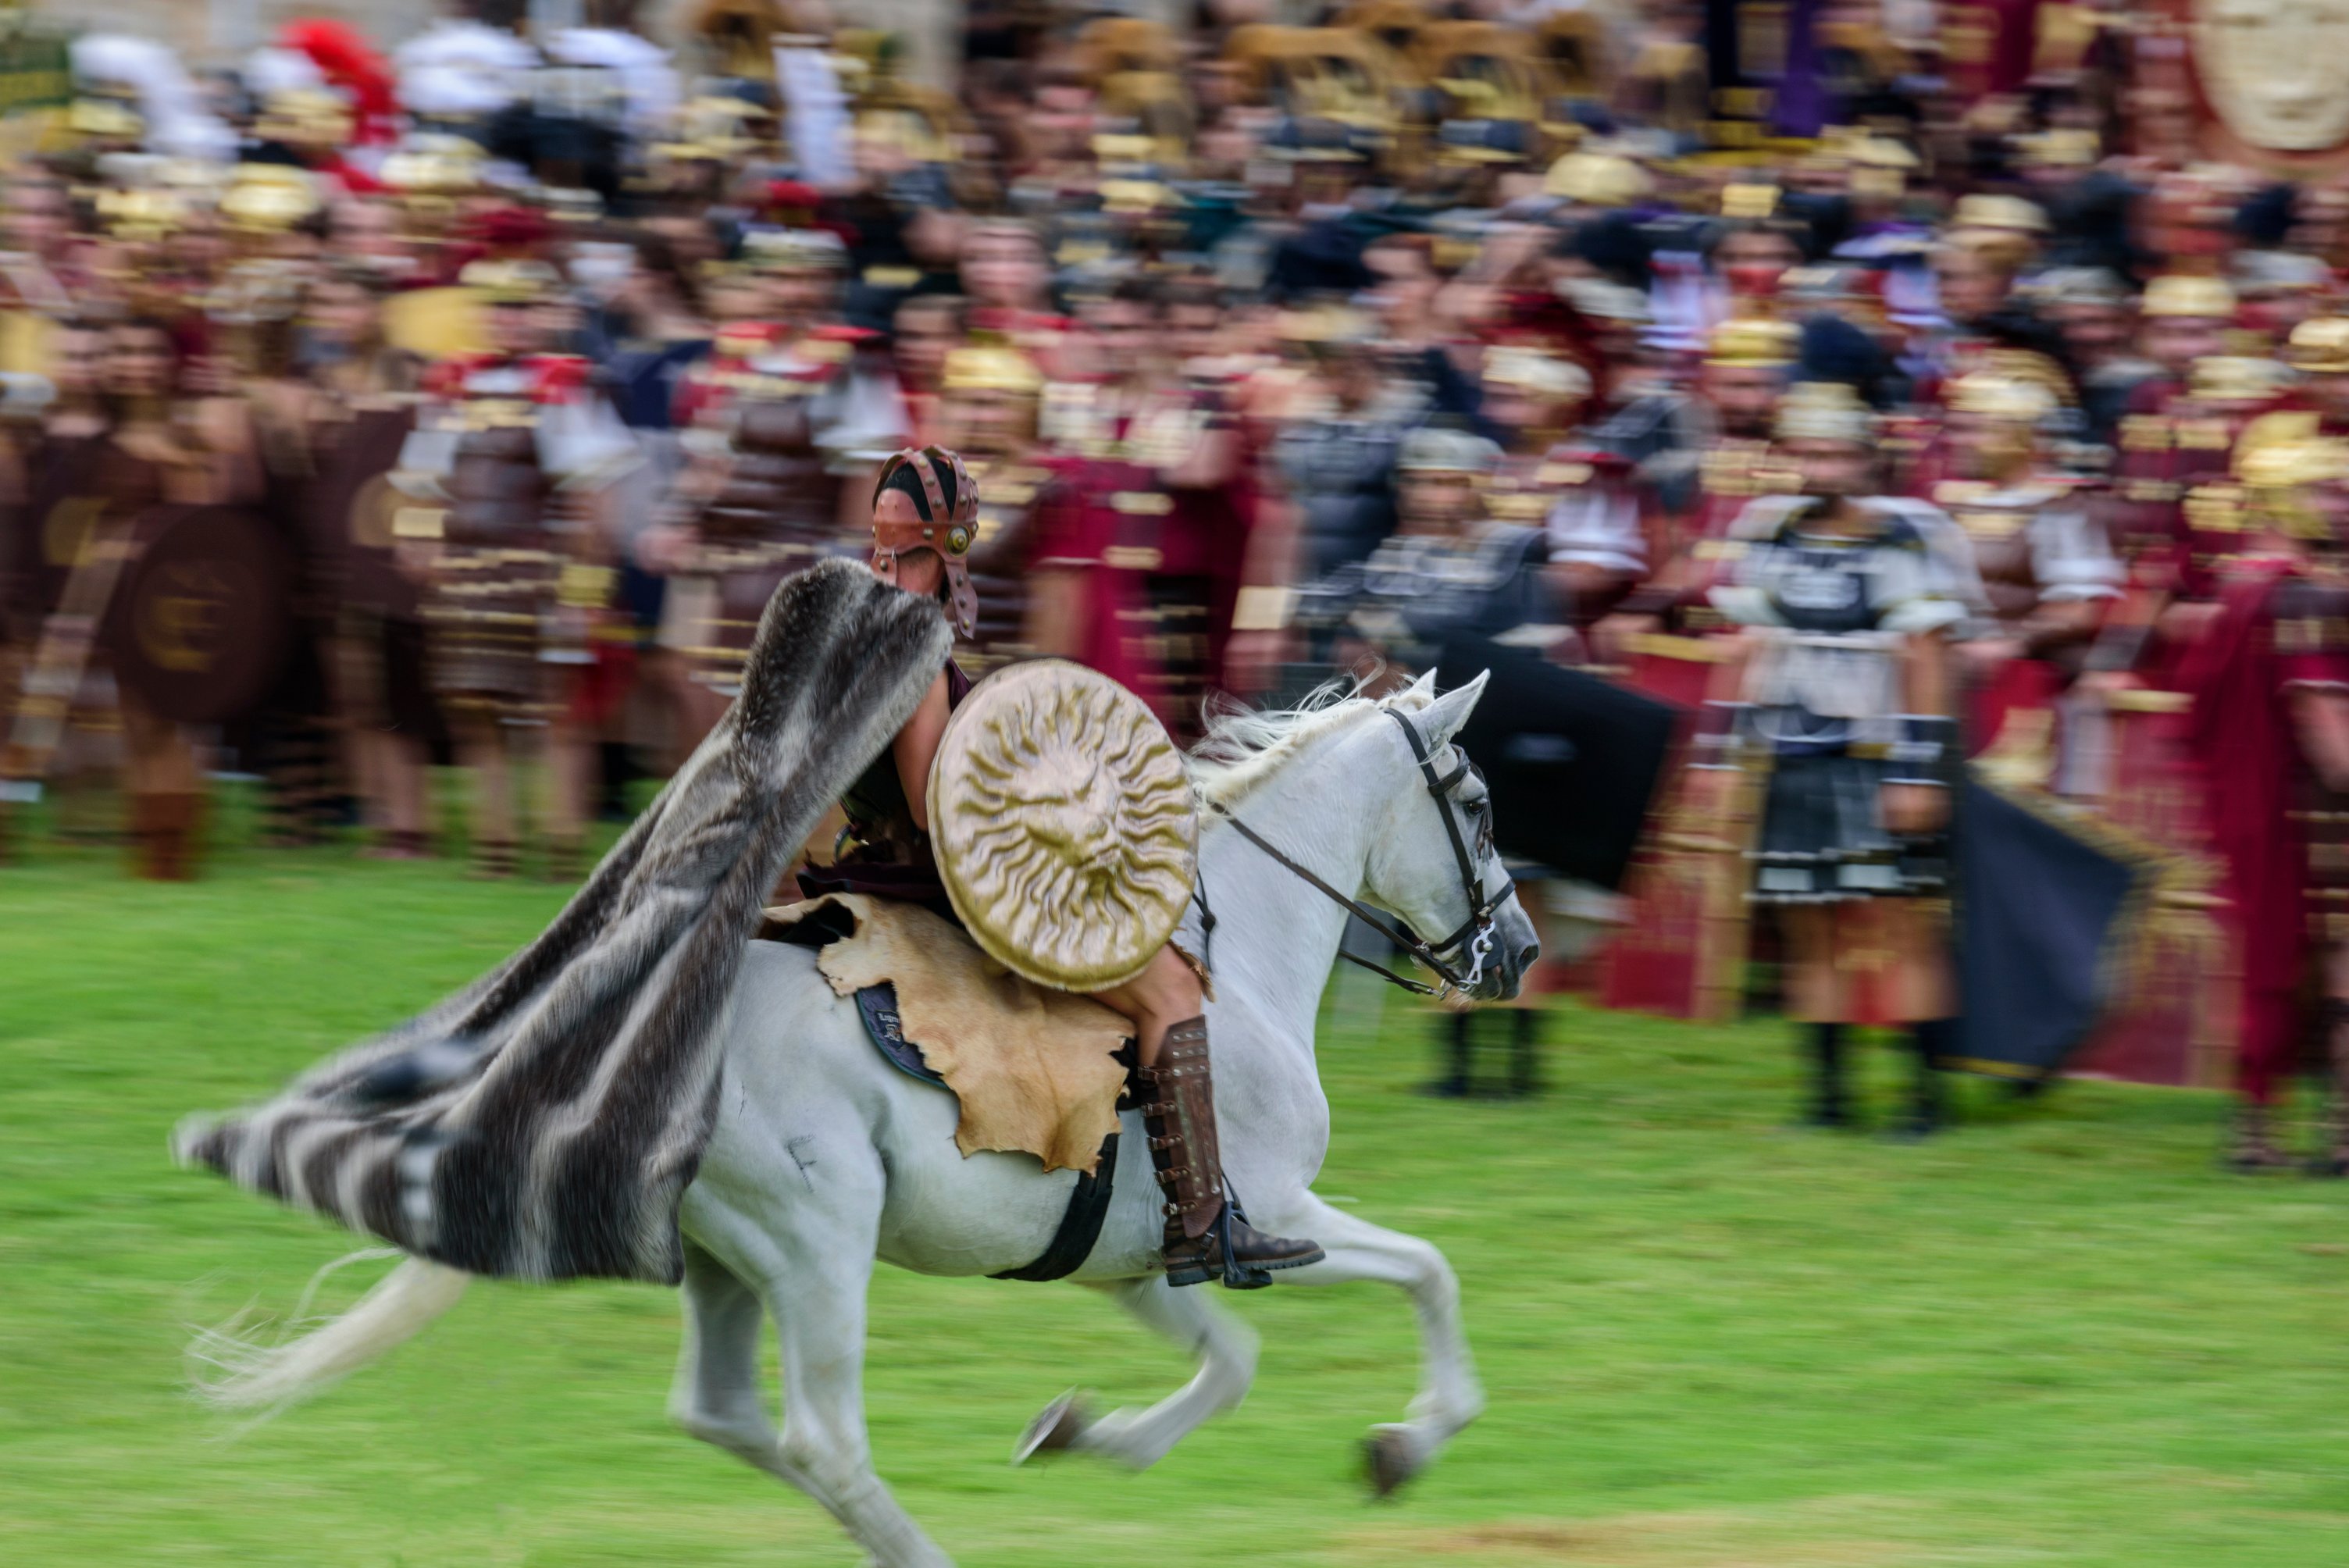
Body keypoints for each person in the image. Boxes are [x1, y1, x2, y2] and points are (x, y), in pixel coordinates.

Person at [807, 444, 1322, 1289]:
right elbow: (938, 806)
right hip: (950, 882)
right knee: (1170, 986)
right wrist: (1050, 815)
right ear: (954, 541)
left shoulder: (859, 621)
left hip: (878, 859)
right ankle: (1202, 1225)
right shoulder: (912, 640)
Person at [1697, 382, 1967, 1136]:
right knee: (1807, 922)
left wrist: (1917, 771)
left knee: (1900, 924)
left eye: (1837, 453)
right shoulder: (1768, 528)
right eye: (1808, 453)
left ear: (1867, 458)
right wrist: (1719, 755)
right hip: (1793, 749)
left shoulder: (1901, 536)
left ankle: (1922, 1100)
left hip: (1878, 750)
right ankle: (1829, 1099)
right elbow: (1747, 646)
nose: (1821, 468)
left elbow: (1926, 654)